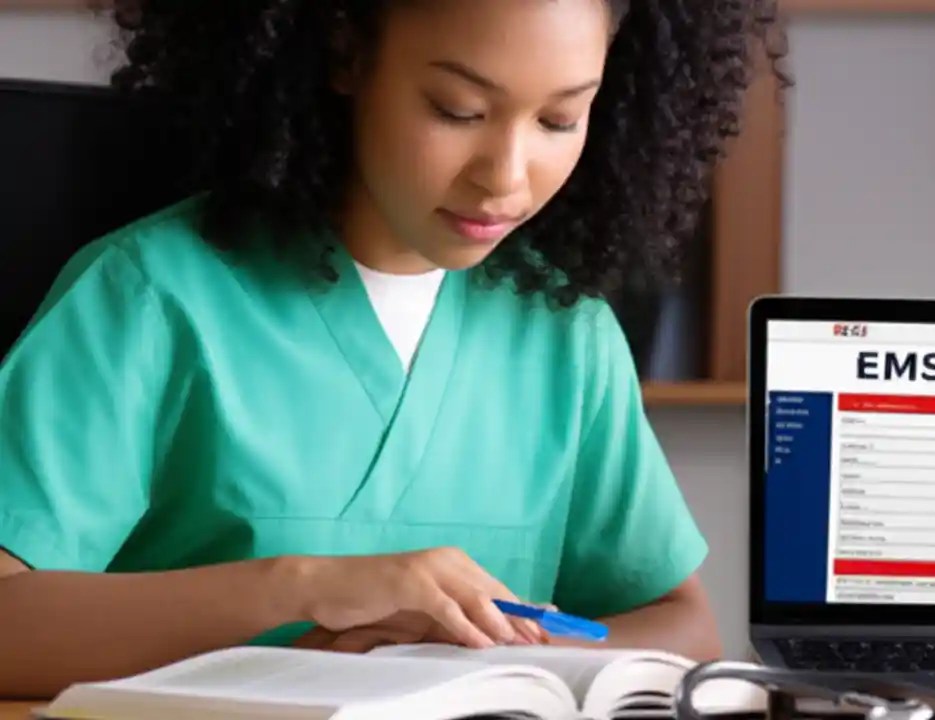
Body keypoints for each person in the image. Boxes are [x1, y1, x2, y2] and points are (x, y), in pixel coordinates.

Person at [0, 0, 788, 700]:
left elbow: (684, 625)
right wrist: (304, 589)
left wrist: (477, 661)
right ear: (346, 53)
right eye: (458, 110)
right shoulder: (151, 298)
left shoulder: (563, 331)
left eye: (558, 120)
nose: (505, 178)